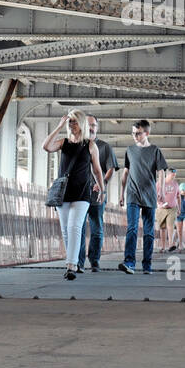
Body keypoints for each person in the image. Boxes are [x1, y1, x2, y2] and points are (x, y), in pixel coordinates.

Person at [42, 110, 105, 280]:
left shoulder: (90, 145)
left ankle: (71, 265)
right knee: (65, 230)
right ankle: (73, 262)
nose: (72, 125)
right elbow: (46, 146)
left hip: (82, 193)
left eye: (75, 122)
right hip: (64, 193)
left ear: (82, 123)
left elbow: (97, 170)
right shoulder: (64, 143)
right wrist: (59, 126)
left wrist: (102, 189)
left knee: (75, 227)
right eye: (70, 122)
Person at [118, 119, 169, 275]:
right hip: (132, 194)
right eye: (133, 133)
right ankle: (129, 263)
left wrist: (160, 190)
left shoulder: (155, 150)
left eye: (138, 133)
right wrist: (121, 193)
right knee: (132, 228)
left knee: (148, 232)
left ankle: (147, 264)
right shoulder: (130, 150)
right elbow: (125, 172)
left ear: (146, 133)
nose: (135, 136)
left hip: (149, 195)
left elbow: (161, 172)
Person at [75, 116, 118, 273]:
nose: (91, 127)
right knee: (78, 228)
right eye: (88, 125)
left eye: (93, 125)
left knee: (97, 228)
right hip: (79, 194)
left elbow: (111, 168)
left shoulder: (104, 147)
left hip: (96, 195)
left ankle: (94, 261)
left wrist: (102, 185)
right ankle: (78, 262)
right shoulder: (77, 145)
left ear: (98, 127)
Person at [155, 169, 181, 253]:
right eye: (172, 175)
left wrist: (179, 208)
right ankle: (163, 247)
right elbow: (154, 195)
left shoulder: (175, 184)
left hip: (172, 208)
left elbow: (178, 197)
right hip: (161, 208)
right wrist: (158, 202)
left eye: (175, 175)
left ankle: (170, 244)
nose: (174, 176)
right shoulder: (159, 183)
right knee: (162, 228)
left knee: (170, 226)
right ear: (168, 174)